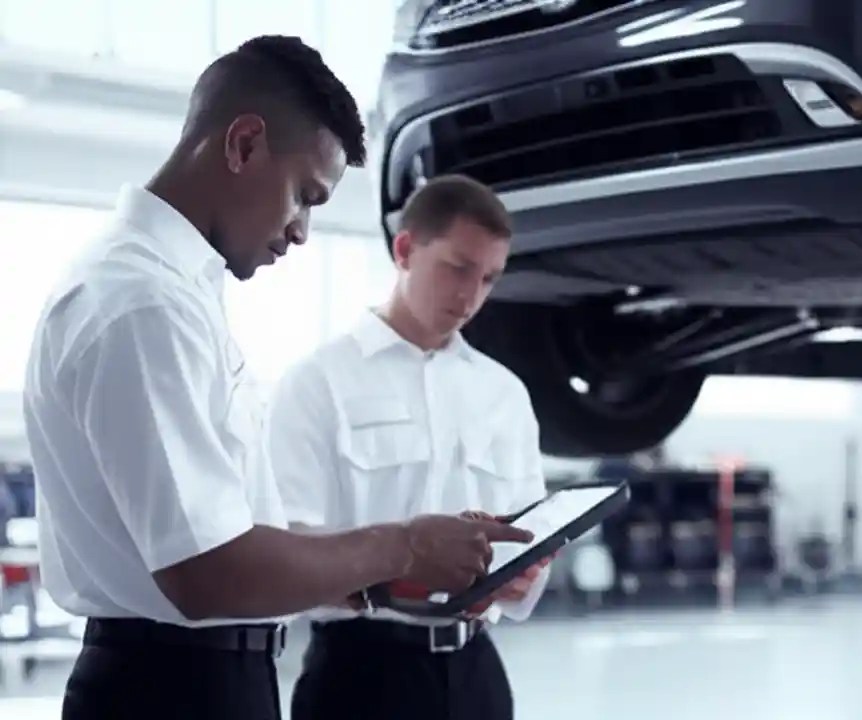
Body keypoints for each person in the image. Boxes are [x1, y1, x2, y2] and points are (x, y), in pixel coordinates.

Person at [21, 37, 531, 720]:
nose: (301, 232)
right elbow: (209, 572)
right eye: (304, 196)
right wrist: (405, 544)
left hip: (202, 678)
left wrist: (402, 560)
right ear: (244, 145)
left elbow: (241, 532)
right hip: (174, 691)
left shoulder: (174, 292)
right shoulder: (143, 304)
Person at [265, 174, 549, 720]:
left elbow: (530, 534)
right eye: (457, 268)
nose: (471, 296)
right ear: (404, 249)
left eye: (489, 278)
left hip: (477, 675)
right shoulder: (318, 382)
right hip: (361, 678)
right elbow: (285, 549)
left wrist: (525, 575)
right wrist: (396, 579)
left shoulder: (504, 393)